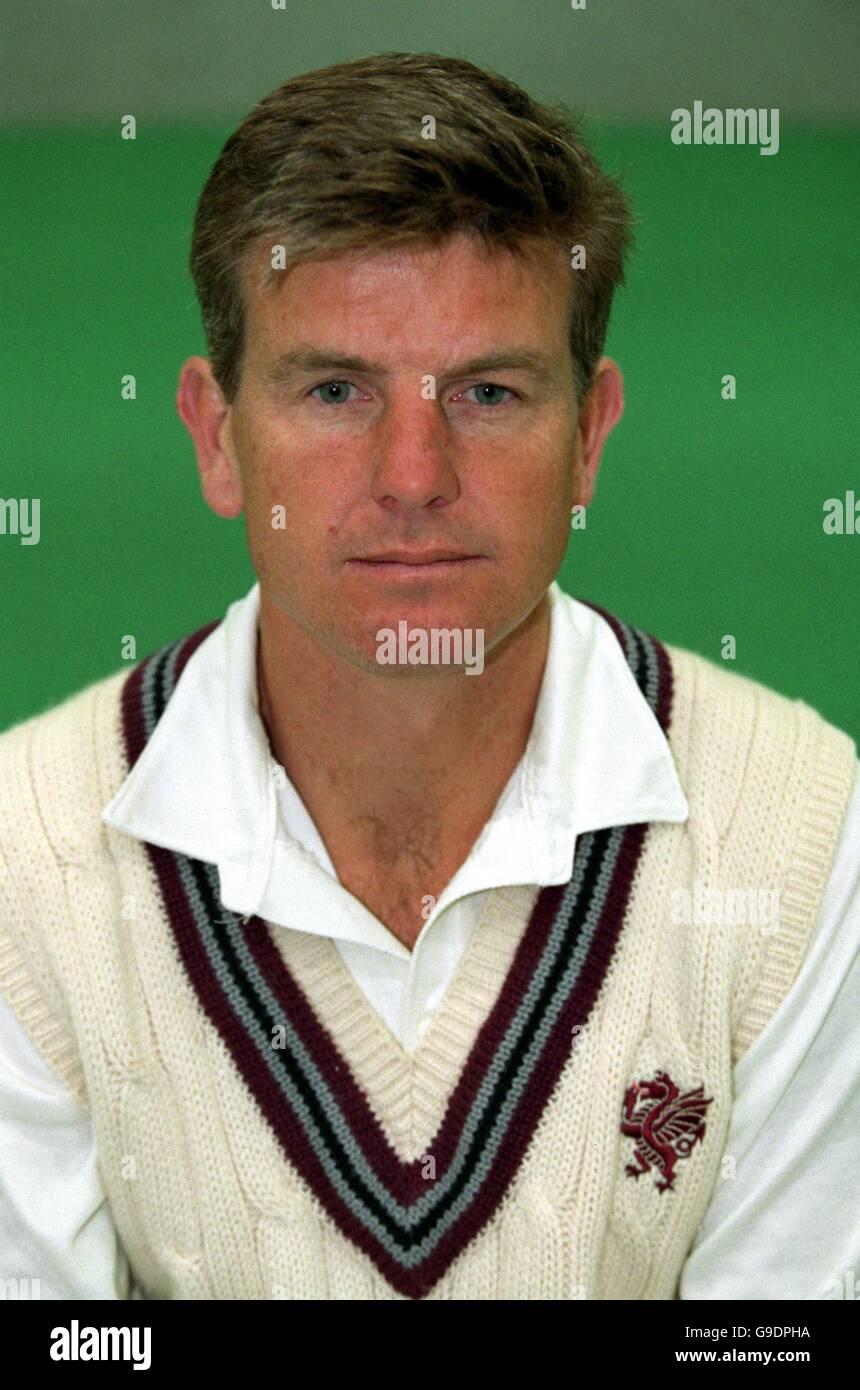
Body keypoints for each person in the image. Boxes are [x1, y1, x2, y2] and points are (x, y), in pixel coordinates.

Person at [1, 51, 858, 1302]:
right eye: (336, 389)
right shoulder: (23, 856)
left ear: (587, 437)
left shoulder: (799, 827)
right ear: (216, 435)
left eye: (488, 391)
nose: (414, 474)